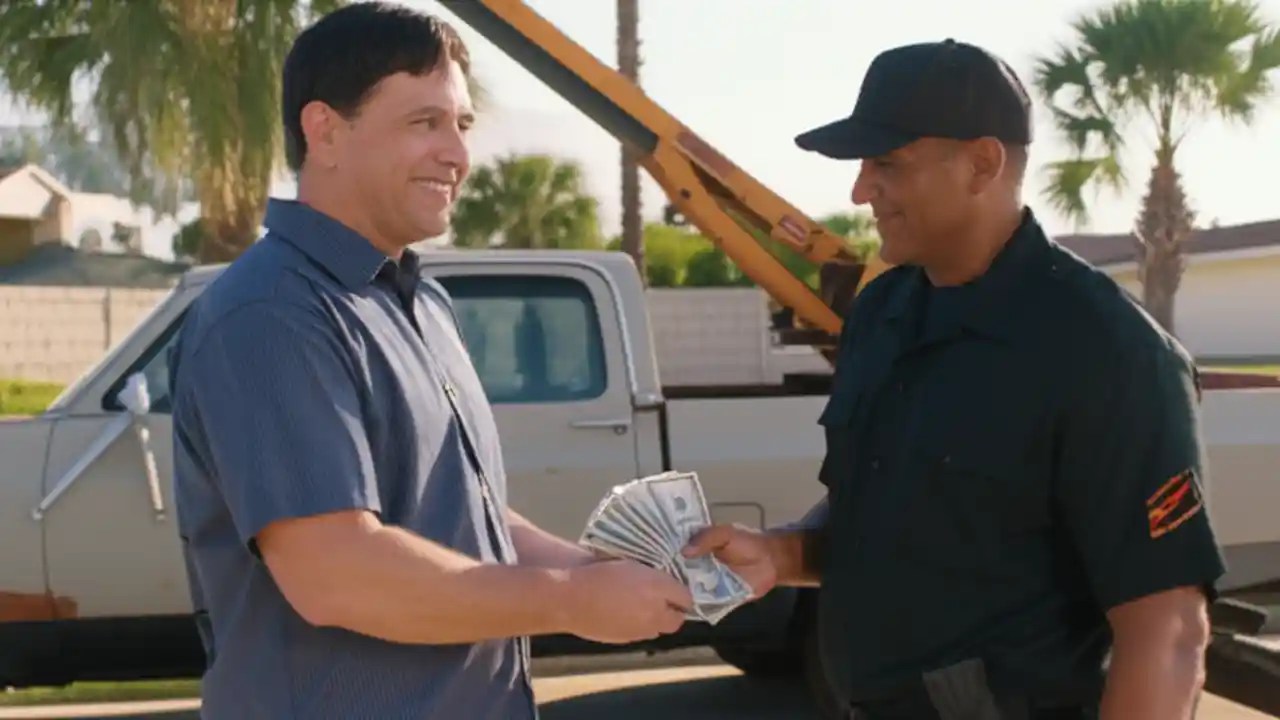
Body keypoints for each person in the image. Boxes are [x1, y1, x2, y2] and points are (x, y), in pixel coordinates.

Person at [168, 4, 692, 719]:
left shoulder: (417, 301)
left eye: (462, 125)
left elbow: (460, 519)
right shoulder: (270, 316)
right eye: (424, 123)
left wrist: (600, 572)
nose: (458, 154)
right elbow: (338, 572)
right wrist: (572, 602)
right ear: (324, 130)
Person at [685, 39, 1226, 720]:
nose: (859, 190)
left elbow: (1169, 632)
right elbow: (886, 516)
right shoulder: (884, 310)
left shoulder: (1105, 353)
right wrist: (779, 553)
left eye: (887, 162)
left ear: (982, 164)